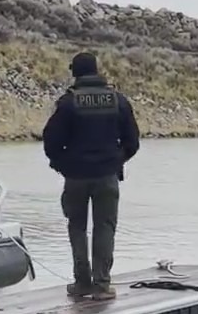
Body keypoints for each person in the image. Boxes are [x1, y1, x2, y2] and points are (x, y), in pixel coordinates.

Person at [41, 51, 141, 300]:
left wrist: (62, 165)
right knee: (105, 228)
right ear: (97, 72)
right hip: (107, 176)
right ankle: (102, 285)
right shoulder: (117, 100)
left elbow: (51, 141)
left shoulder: (68, 103)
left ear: (75, 73)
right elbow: (133, 142)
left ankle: (82, 282)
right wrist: (116, 161)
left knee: (76, 227)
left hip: (75, 177)